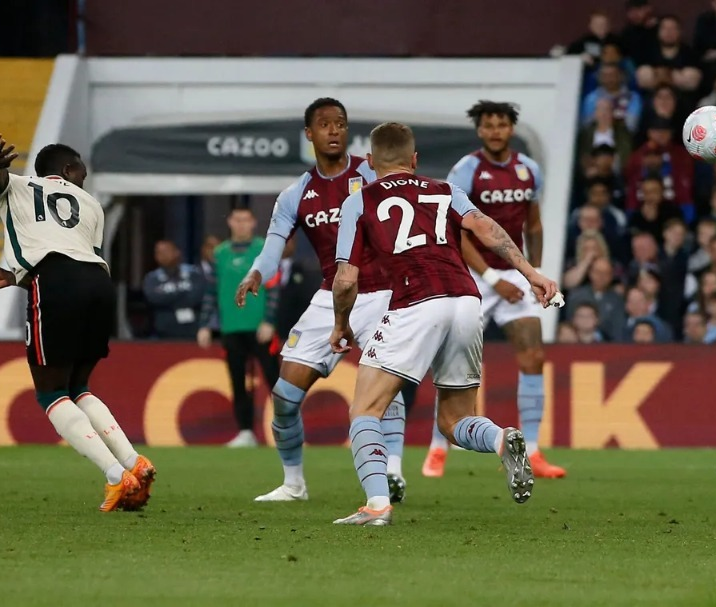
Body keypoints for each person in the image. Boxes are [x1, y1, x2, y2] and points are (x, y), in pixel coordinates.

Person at [329, 122, 560, 526]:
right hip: (466, 301)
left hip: (415, 301)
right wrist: (531, 274)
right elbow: (486, 228)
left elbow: (346, 279)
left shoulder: (359, 200)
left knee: (365, 409)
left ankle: (377, 505)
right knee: (454, 421)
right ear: (415, 160)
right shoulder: (446, 190)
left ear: (369, 162)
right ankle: (501, 438)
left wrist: (340, 324)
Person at [0, 136, 156, 511]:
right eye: (81, 166)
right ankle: (134, 461)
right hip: (99, 285)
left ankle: (116, 476)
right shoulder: (92, 204)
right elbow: (79, 256)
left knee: (51, 393)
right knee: (78, 387)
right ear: (68, 169)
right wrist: (14, 277)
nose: (85, 173)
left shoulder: (19, 186)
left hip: (54, 283)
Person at [234, 98, 408, 502]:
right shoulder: (296, 194)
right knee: (284, 395)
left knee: (385, 385)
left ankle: (393, 471)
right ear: (309, 134)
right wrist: (256, 272)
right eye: (325, 124)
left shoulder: (372, 174)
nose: (334, 130)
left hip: (383, 293)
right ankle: (293, 484)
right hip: (332, 296)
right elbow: (274, 245)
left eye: (341, 124)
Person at [422, 100, 566, 479]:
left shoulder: (528, 169)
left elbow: (533, 224)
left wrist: (534, 273)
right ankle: (438, 447)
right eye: (489, 125)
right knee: (455, 361)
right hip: (472, 276)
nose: (496, 131)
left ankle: (533, 450)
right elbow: (458, 230)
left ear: (511, 129)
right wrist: (490, 277)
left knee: (533, 355)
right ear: (480, 130)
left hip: (514, 275)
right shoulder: (466, 170)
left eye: (502, 124)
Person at [198, 206, 281, 448]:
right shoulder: (220, 253)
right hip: (232, 327)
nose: (241, 224)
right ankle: (246, 432)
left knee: (274, 380)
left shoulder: (264, 249)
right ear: (230, 222)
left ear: (253, 222)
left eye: (246, 220)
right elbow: (211, 291)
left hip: (260, 327)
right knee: (237, 381)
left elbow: (274, 288)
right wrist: (205, 324)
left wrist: (269, 320)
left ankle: (287, 429)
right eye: (237, 220)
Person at [142, 240, 207, 339]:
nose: (162, 255)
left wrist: (170, 298)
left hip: (194, 330)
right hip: (164, 332)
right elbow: (153, 298)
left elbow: (198, 296)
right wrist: (183, 294)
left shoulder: (194, 273)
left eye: (166, 251)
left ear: (177, 252)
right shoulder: (151, 278)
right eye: (158, 252)